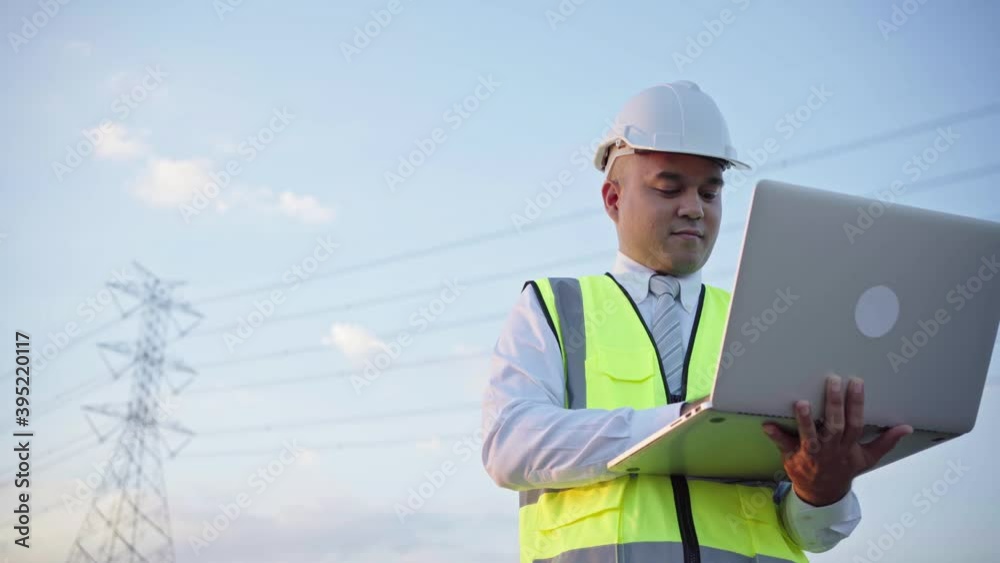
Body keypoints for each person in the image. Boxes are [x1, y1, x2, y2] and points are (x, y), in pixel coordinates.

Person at [480, 81, 913, 563]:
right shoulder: (555, 308)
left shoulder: (763, 320)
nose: (694, 207)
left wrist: (822, 492)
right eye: (669, 187)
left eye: (710, 192)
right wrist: (680, 427)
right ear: (612, 199)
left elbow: (811, 534)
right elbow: (509, 444)